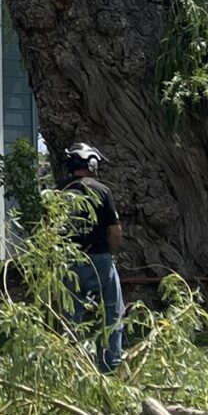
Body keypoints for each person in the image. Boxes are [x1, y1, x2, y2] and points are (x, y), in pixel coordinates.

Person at [61, 141, 125, 373]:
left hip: (68, 261)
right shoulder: (101, 191)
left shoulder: (58, 192)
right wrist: (112, 253)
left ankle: (72, 365)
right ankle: (110, 364)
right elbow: (114, 231)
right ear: (92, 163)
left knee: (71, 314)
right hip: (99, 259)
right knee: (112, 310)